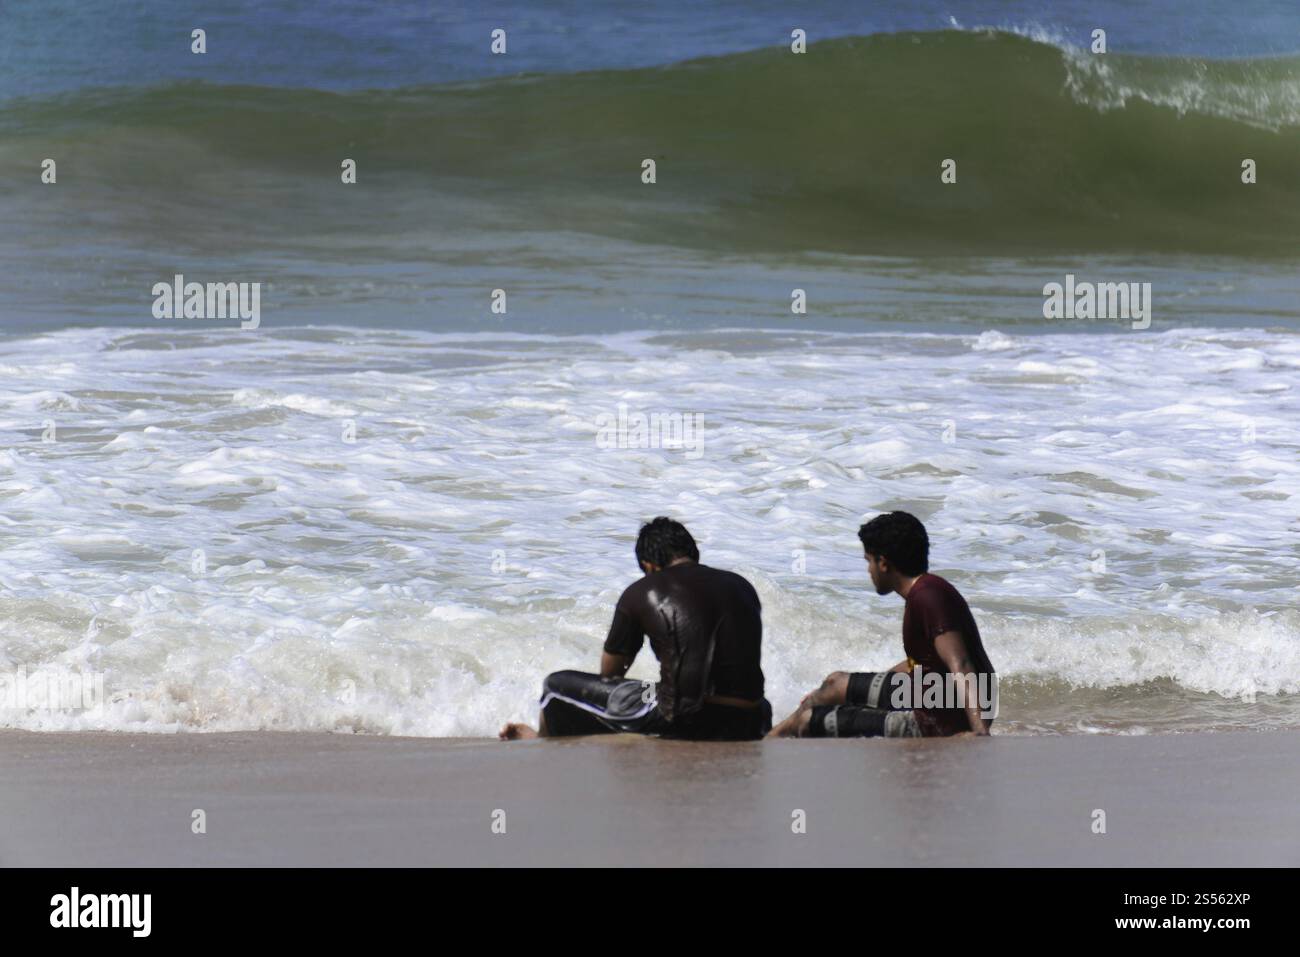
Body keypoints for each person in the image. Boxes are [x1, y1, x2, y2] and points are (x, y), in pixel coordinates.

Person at [499, 517, 771, 741]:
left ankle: (541, 740)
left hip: (688, 721)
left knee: (555, 685)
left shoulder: (642, 592)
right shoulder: (741, 585)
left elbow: (610, 674)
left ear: (649, 566)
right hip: (752, 718)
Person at [769, 511, 995, 739]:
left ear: (883, 563)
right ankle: (773, 735)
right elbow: (923, 662)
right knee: (835, 683)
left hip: (937, 720)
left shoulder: (927, 597)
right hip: (935, 694)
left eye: (869, 561)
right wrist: (857, 692)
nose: (868, 571)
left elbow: (961, 662)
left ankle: (770, 741)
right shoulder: (928, 589)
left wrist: (979, 731)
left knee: (809, 722)